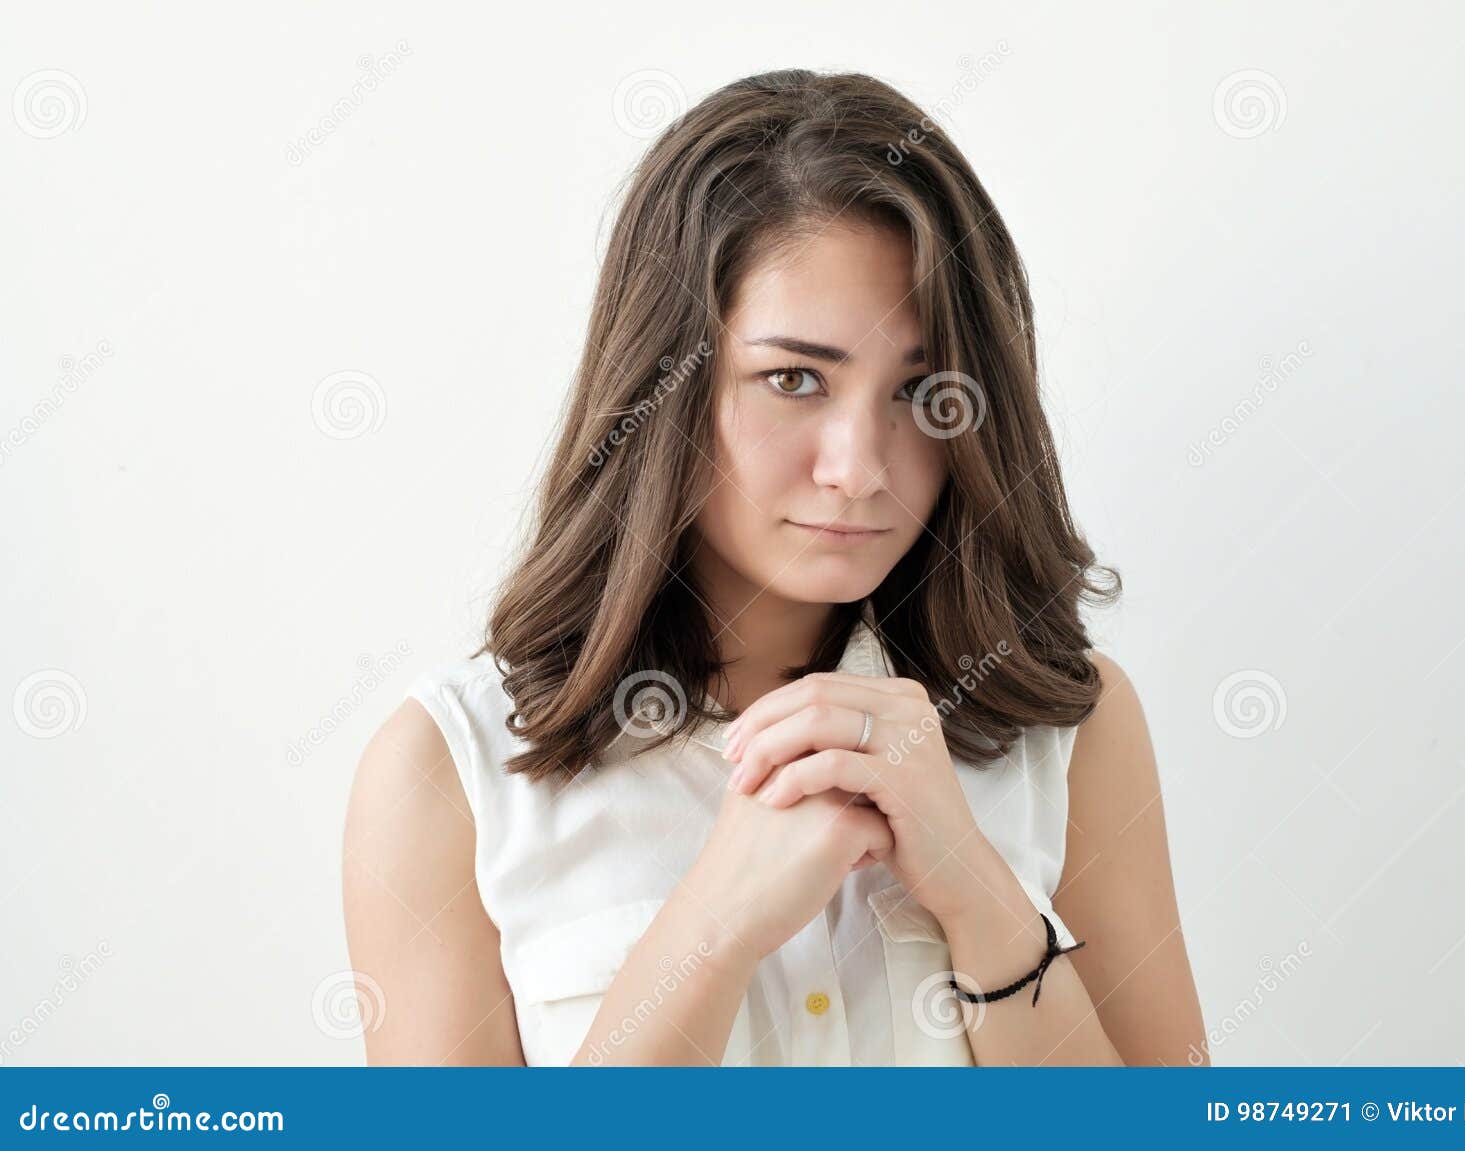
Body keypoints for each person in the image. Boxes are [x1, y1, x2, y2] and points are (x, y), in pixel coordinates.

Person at [342, 68, 1205, 1066]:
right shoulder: (450, 773)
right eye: (793, 378)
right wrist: (711, 926)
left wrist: (975, 887)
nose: (859, 467)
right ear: (664, 385)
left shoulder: (1070, 726)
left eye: (919, 389)